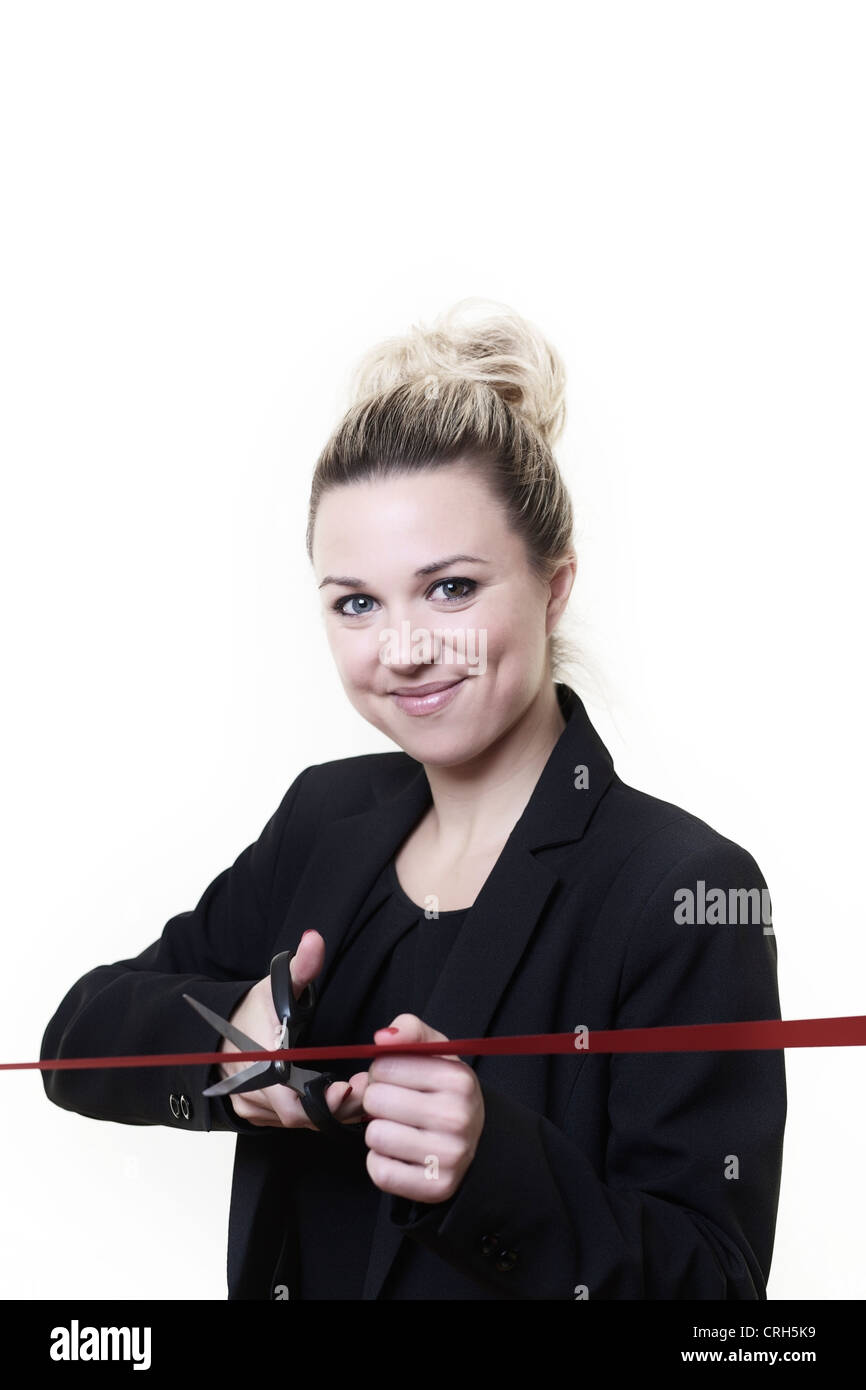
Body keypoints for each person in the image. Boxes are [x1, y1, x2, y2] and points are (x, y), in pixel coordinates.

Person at [41, 299, 786, 1300]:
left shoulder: (677, 888)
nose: (402, 647)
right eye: (356, 601)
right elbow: (75, 1040)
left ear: (552, 584)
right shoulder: (324, 820)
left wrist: (492, 1171)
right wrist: (236, 1037)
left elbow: (719, 1301)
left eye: (448, 588)